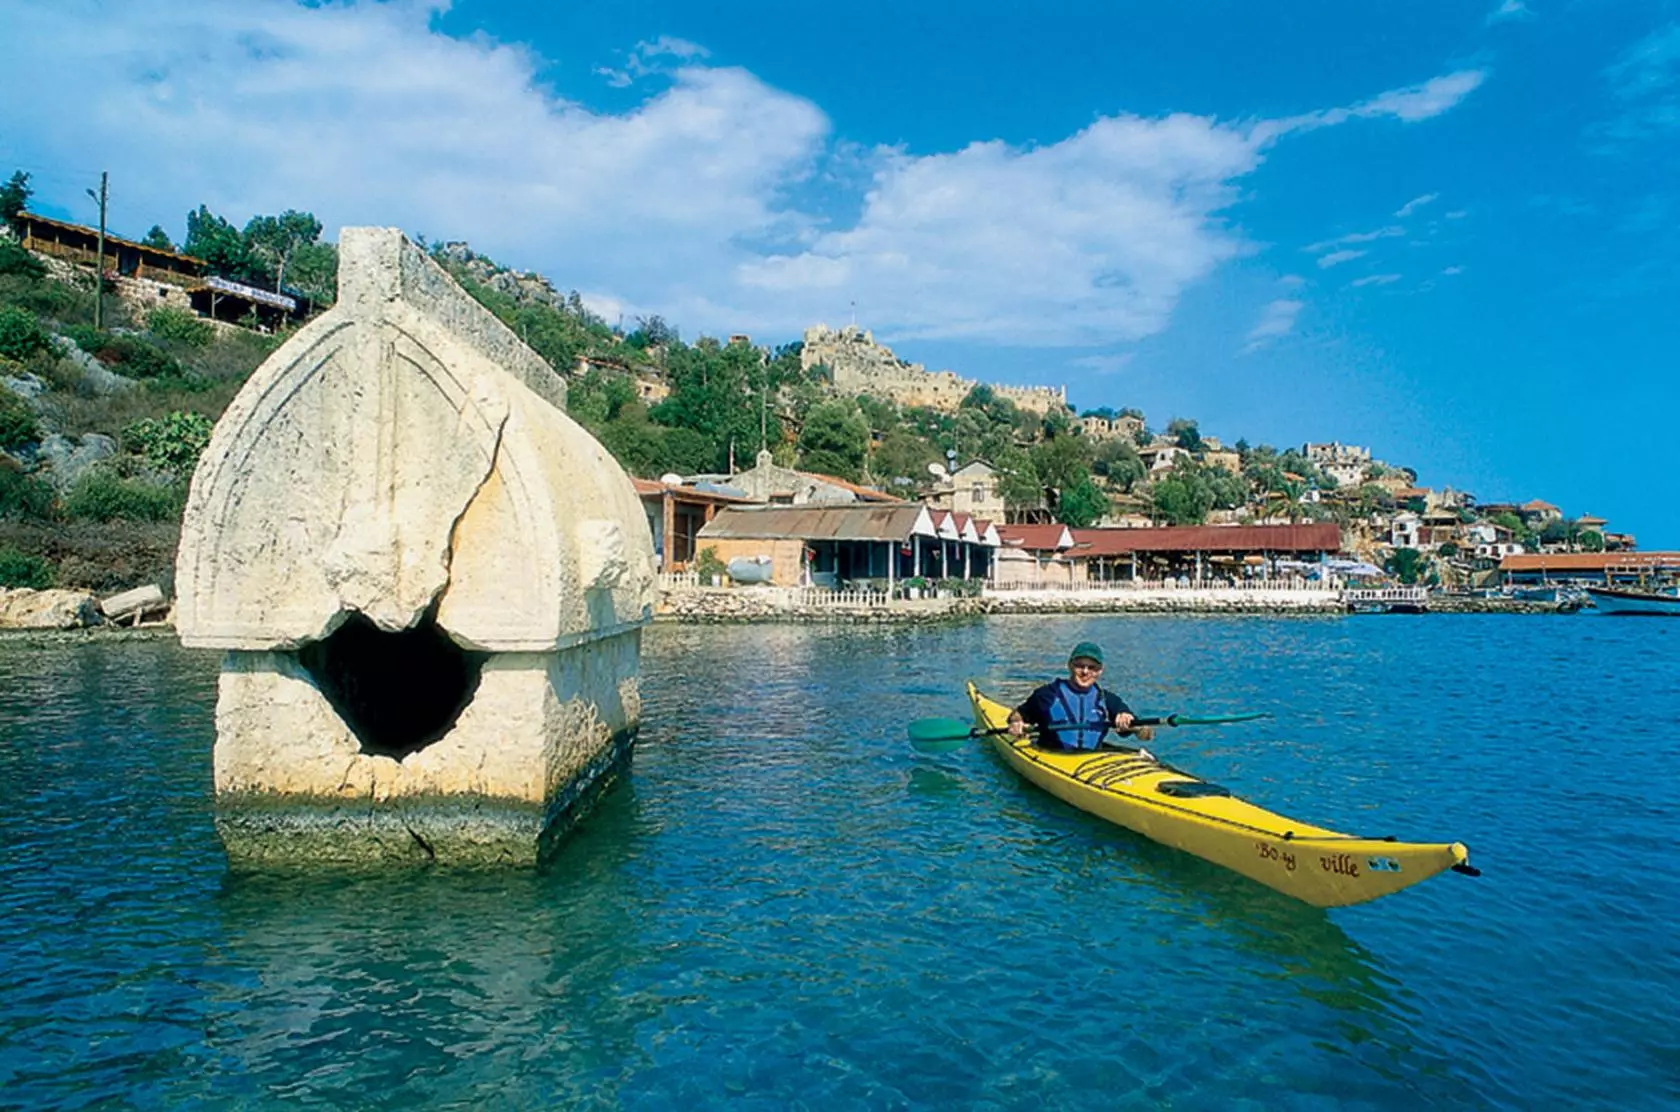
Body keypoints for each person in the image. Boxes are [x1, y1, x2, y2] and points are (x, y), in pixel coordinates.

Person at [1007, 641, 1154, 756]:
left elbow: (1147, 736)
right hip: (1053, 756)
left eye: (1092, 668)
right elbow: (1016, 715)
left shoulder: (1108, 700)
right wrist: (1016, 722)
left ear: (1100, 671)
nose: (1085, 672)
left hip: (1091, 760)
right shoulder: (1047, 694)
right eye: (1079, 666)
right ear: (1070, 665)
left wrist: (1136, 727)